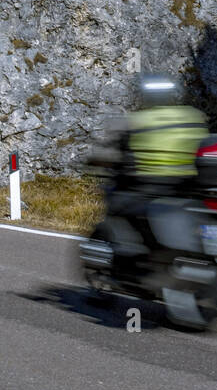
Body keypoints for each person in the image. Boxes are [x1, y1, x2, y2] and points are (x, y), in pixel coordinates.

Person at [90, 74, 210, 255]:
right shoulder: (193, 116)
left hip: (149, 187)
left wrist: (93, 161)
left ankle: (128, 253)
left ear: (145, 96)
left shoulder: (138, 120)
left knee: (116, 208)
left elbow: (109, 152)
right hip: (187, 187)